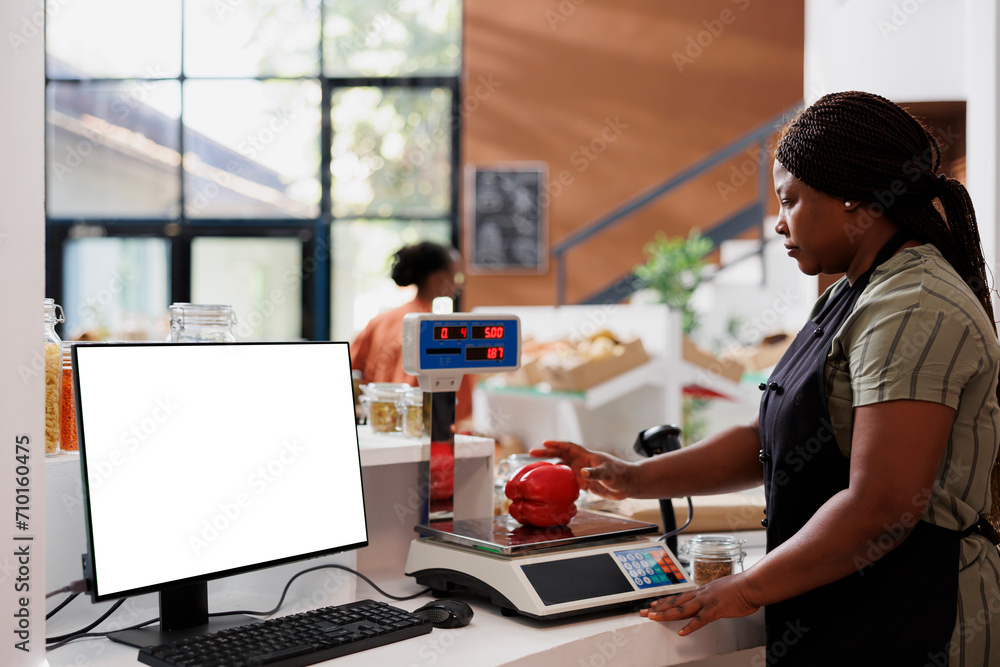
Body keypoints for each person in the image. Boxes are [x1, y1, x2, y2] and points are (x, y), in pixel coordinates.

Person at [534, 91, 1000, 665]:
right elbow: (767, 438)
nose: (779, 222)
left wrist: (748, 587)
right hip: (843, 608)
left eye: (790, 200)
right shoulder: (854, 294)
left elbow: (881, 506)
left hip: (913, 616)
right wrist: (633, 478)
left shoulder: (912, 305)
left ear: (854, 198)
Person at [350, 240, 474, 423]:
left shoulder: (380, 321)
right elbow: (458, 405)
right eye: (455, 276)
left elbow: (351, 369)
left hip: (379, 424)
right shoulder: (442, 331)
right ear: (439, 277)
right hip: (418, 427)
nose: (457, 285)